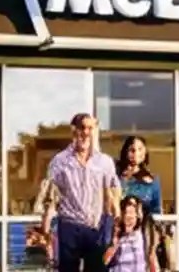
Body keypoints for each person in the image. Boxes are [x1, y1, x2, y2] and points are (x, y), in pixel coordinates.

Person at [40, 112, 122, 272]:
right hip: (69, 225)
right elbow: (52, 196)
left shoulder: (105, 162)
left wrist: (116, 222)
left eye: (90, 128)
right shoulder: (60, 161)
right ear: (74, 131)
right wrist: (46, 225)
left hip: (95, 226)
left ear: (95, 131)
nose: (86, 133)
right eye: (82, 128)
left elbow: (112, 194)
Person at [116, 135, 165, 268]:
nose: (135, 153)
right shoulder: (117, 177)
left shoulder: (152, 180)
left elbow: (157, 210)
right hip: (118, 233)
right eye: (132, 150)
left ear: (145, 153)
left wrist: (155, 242)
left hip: (142, 235)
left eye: (139, 149)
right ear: (126, 152)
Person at [103, 195, 158, 272]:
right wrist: (114, 244)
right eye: (126, 214)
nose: (128, 219)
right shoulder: (116, 232)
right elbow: (105, 261)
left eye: (132, 216)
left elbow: (151, 258)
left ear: (138, 216)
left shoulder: (143, 233)